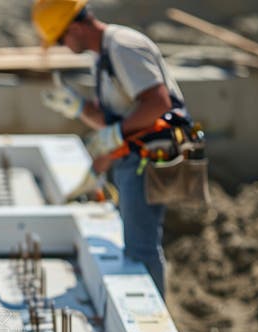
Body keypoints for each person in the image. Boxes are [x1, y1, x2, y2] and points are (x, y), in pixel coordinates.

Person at [32, 0, 194, 296]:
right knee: (137, 240)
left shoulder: (123, 47)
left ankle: (154, 325)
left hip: (151, 155)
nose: (62, 47)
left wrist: (114, 137)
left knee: (140, 248)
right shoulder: (103, 55)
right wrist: (79, 108)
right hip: (135, 154)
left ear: (77, 27)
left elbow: (158, 104)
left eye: (60, 39)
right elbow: (114, 118)